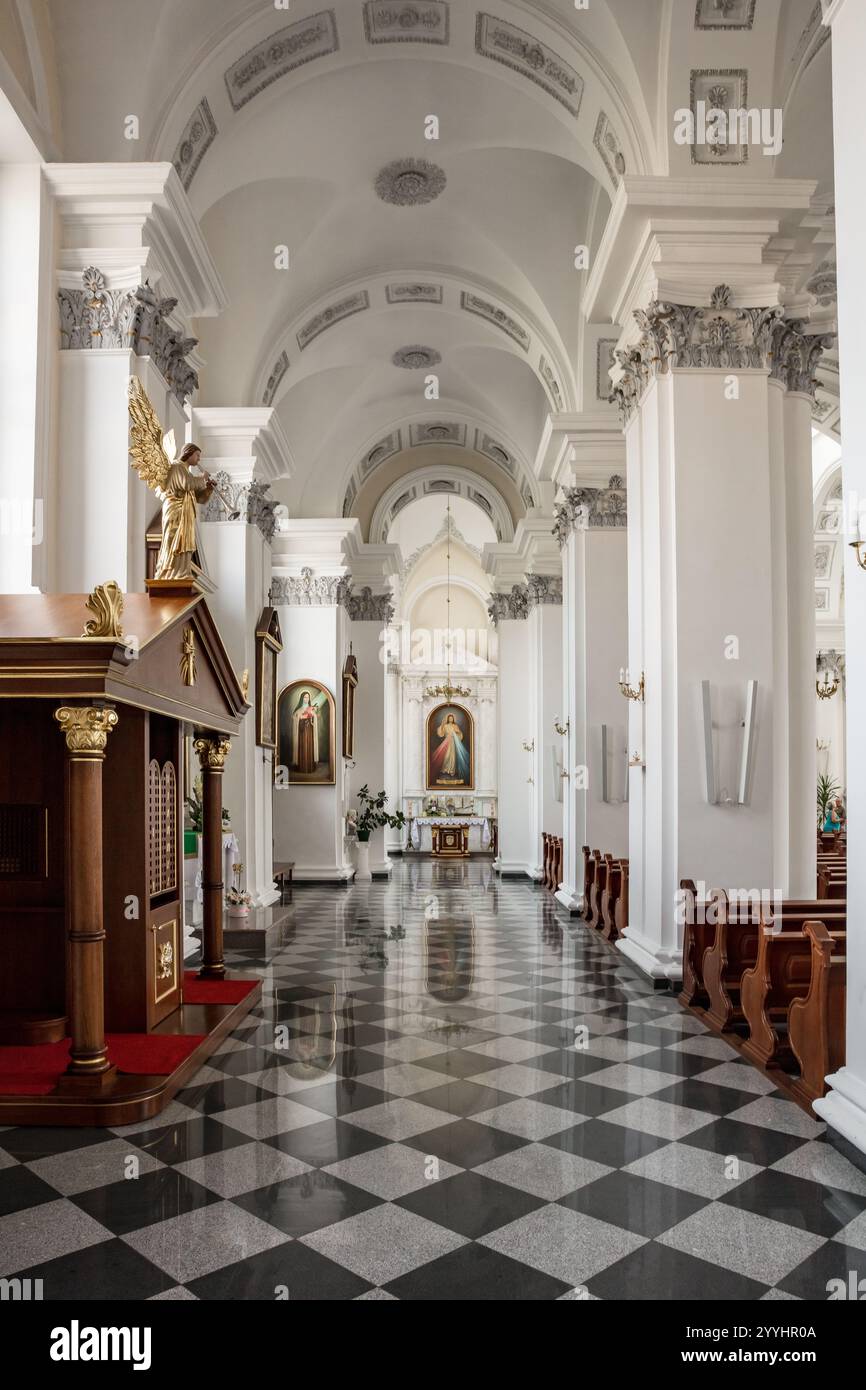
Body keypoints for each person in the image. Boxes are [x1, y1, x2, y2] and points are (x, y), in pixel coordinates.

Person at [154, 444, 215, 580]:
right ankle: (169, 572)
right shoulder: (176, 467)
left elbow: (199, 498)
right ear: (189, 453)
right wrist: (203, 478)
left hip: (186, 515)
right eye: (197, 455)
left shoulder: (187, 472)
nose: (199, 459)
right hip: (175, 511)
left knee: (184, 542)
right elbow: (187, 484)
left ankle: (182, 571)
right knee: (172, 541)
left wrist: (208, 489)